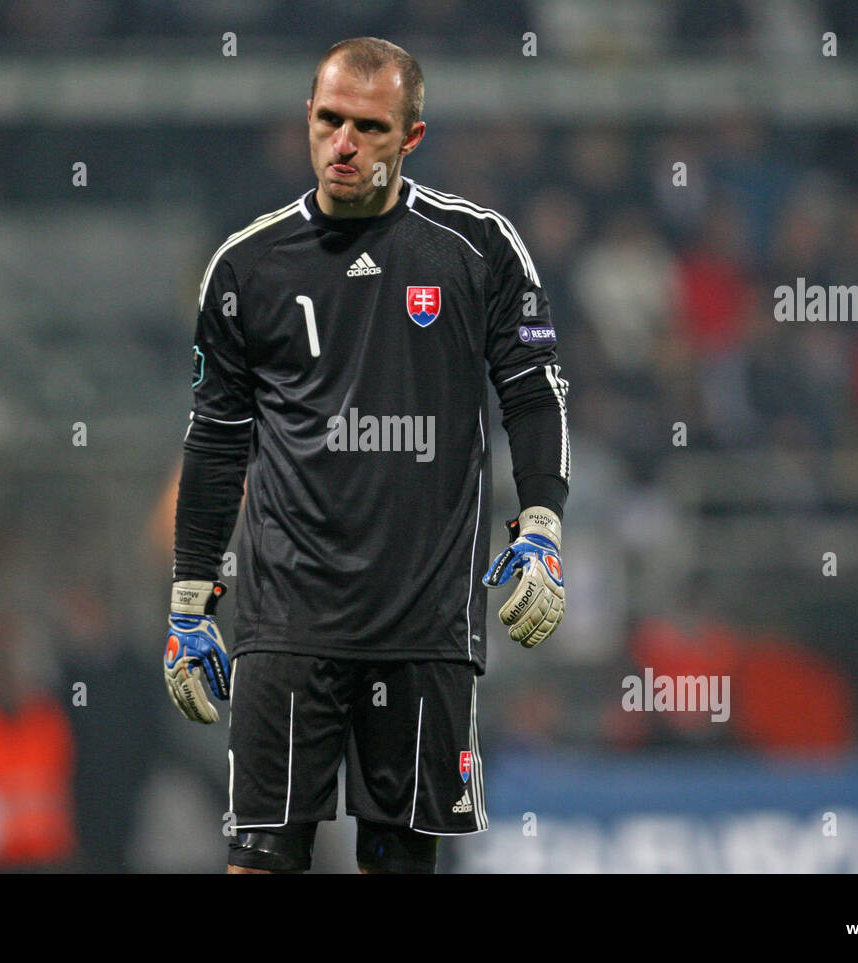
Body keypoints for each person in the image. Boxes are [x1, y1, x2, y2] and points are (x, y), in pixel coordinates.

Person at [165, 37, 571, 874]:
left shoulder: (479, 250)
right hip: (285, 620)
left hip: (423, 622)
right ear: (307, 120)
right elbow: (214, 440)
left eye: (369, 127)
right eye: (328, 120)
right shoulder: (246, 267)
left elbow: (533, 394)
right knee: (261, 858)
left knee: (399, 859)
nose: (343, 143)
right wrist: (188, 599)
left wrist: (541, 526)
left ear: (411, 138)